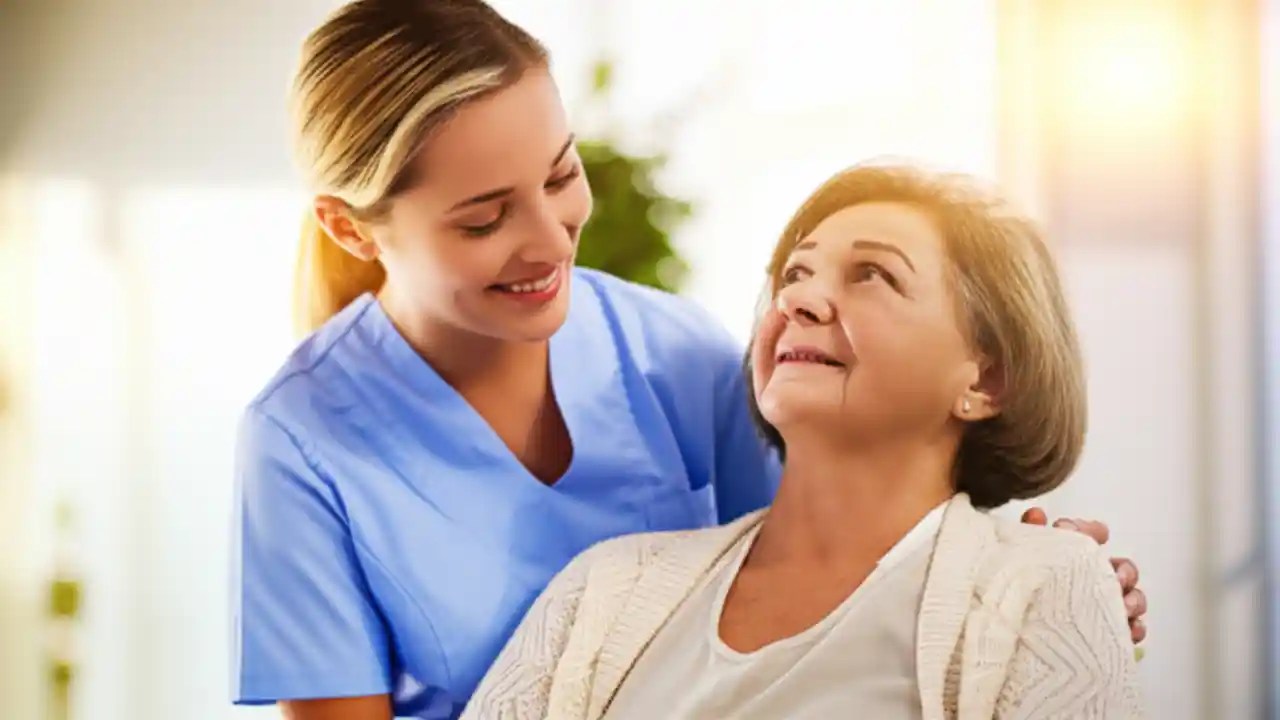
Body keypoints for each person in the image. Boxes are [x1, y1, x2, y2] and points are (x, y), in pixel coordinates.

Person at [230, 2, 1148, 719]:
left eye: (560, 175)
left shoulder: (673, 355)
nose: (554, 241)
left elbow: (847, 539)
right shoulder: (304, 441)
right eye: (483, 218)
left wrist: (1029, 582)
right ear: (350, 226)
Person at [462, 165, 1145, 719]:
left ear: (986, 378)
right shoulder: (605, 586)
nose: (798, 302)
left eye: (872, 275)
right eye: (794, 275)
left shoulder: (1041, 582)